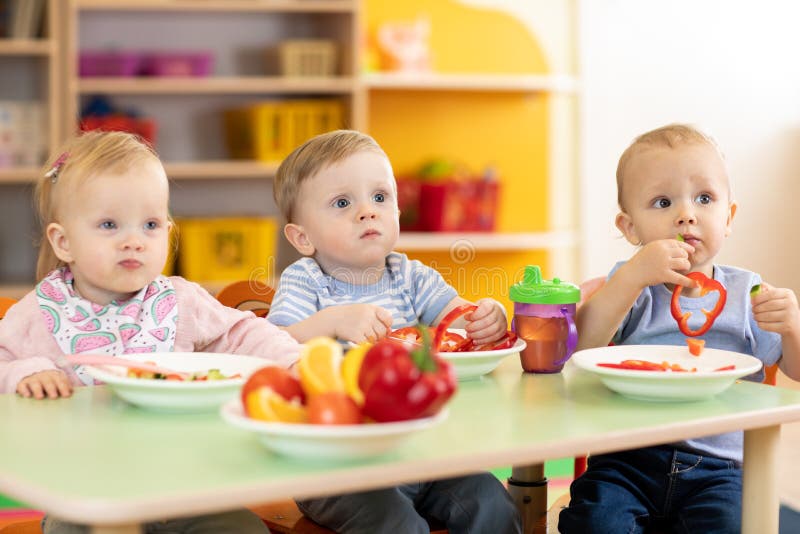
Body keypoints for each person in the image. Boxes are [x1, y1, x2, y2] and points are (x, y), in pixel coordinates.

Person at [0, 130, 302, 534]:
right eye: (109, 224)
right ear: (64, 241)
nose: (133, 241)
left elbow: (244, 333)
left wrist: (293, 361)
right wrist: (26, 372)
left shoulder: (181, 301)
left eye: (150, 224)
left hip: (189, 488)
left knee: (243, 529)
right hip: (87, 497)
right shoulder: (39, 312)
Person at [268, 129, 521, 534]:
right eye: (342, 202)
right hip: (335, 471)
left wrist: (486, 318)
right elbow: (273, 345)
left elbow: (459, 319)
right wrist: (330, 322)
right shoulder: (306, 280)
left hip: (423, 453)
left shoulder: (411, 275)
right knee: (399, 526)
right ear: (302, 237)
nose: (367, 211)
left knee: (493, 504)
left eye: (380, 197)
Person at [559, 123, 800, 533]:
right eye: (662, 201)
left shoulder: (747, 292)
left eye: (704, 198)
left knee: (735, 524)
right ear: (630, 229)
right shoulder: (630, 285)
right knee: (594, 521)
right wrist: (632, 278)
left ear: (728, 217)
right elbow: (580, 346)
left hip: (722, 468)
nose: (686, 214)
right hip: (626, 459)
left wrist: (793, 329)